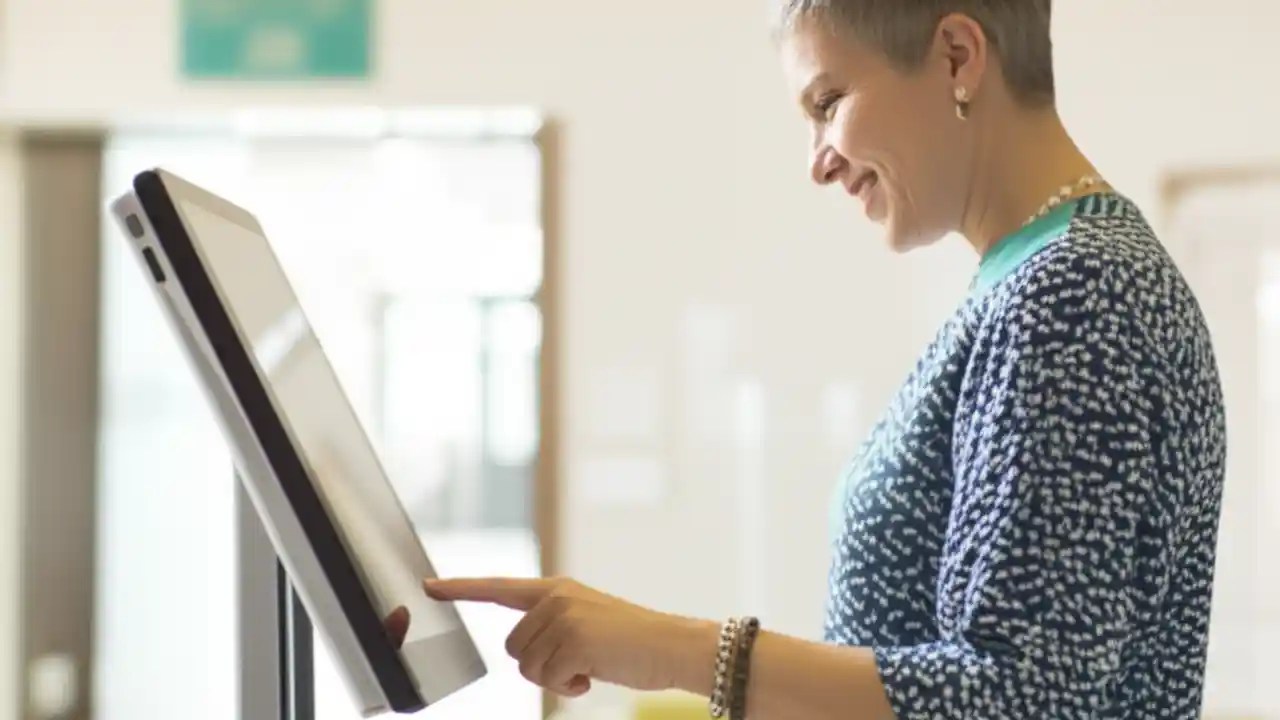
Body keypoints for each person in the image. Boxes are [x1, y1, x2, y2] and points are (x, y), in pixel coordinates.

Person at [425, 1, 1228, 718]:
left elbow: (1017, 699)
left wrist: (667, 648)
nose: (819, 160)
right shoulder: (1041, 280)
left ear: (957, 56)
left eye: (828, 102)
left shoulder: (1075, 292)